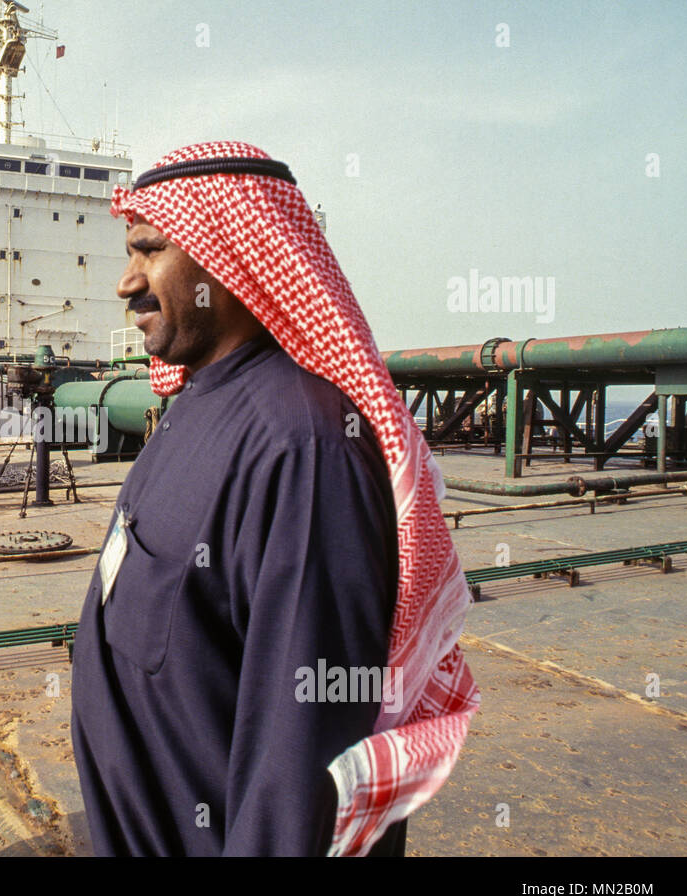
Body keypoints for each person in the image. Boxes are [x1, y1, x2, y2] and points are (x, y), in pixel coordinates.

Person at [70, 141, 480, 857]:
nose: (126, 283)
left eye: (149, 250)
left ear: (230, 258)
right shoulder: (196, 402)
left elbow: (298, 781)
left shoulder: (304, 450)